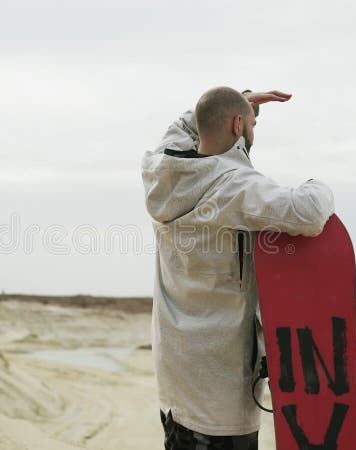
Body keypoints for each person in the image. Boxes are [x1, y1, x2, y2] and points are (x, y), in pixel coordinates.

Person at [141, 86, 335, 450]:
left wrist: (241, 100)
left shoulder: (161, 171)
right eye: (250, 125)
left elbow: (187, 123)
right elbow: (308, 212)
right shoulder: (233, 186)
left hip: (176, 383)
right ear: (238, 125)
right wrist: (318, 185)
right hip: (221, 395)